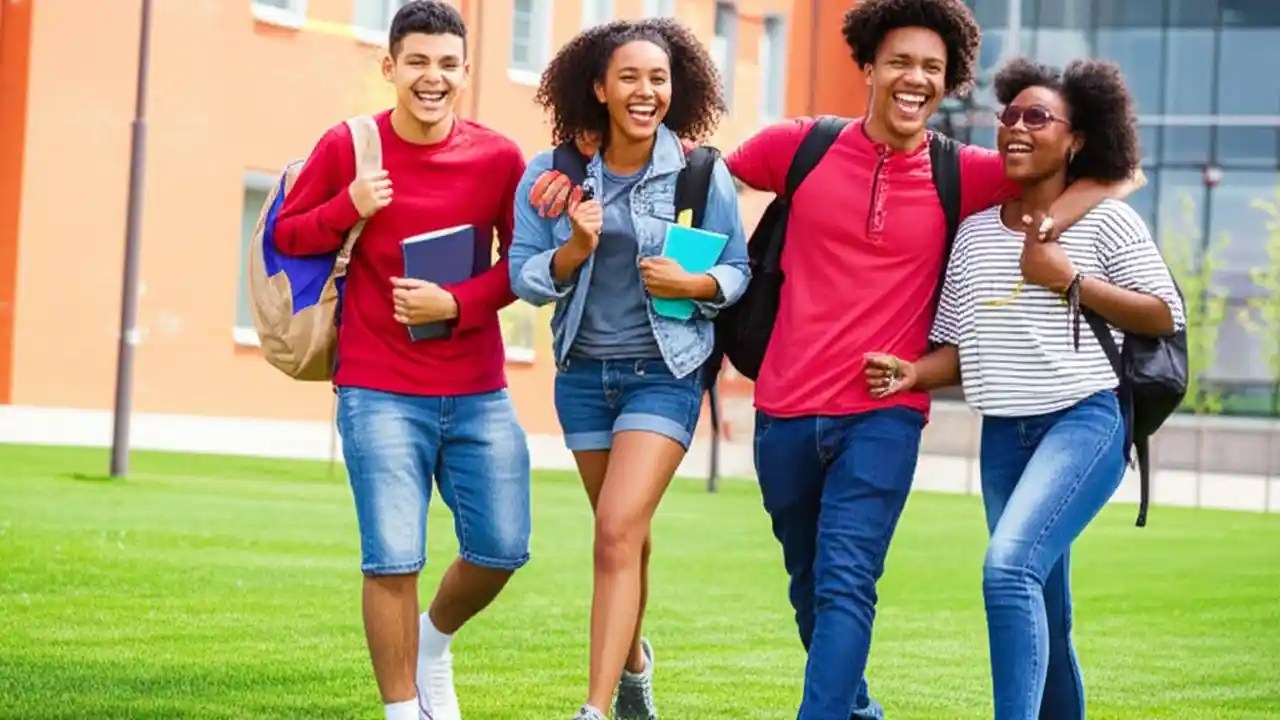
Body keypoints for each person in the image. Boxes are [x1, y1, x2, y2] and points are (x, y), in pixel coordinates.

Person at [526, 2, 1143, 716]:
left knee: (847, 581)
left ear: (950, 84)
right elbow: (683, 165)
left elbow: (1107, 173)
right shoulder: (802, 146)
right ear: (870, 68)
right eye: (901, 62)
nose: (915, 79)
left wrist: (1057, 232)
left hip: (883, 415)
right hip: (784, 411)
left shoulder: (965, 172)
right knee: (809, 586)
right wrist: (575, 158)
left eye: (933, 70)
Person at [863, 56, 1183, 719]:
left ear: (1076, 138)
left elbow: (1164, 313)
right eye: (1008, 115)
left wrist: (1068, 280)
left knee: (1007, 570)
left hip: (1086, 422)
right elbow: (960, 346)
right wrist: (914, 372)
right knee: (1044, 607)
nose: (1014, 128)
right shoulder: (975, 235)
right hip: (1004, 432)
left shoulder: (1109, 224)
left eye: (1036, 117)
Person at [273, 3, 531, 719]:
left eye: (448, 64)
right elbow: (288, 237)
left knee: (504, 545)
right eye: (417, 61)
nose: (432, 77)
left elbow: (524, 265)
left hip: (478, 387)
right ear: (389, 68)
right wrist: (345, 206)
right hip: (378, 388)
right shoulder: (350, 146)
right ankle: (400, 710)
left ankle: (432, 643)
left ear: (466, 73)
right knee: (392, 556)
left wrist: (457, 303)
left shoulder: (498, 158)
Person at [508, 18, 749, 720]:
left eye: (659, 78)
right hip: (583, 375)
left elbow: (736, 270)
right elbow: (524, 275)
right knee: (626, 537)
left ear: (676, 88)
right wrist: (571, 253)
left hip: (664, 372)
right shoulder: (553, 174)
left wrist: (694, 285)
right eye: (630, 78)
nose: (646, 92)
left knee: (614, 529)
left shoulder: (703, 172)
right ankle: (636, 662)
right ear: (600, 88)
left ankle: (594, 707)